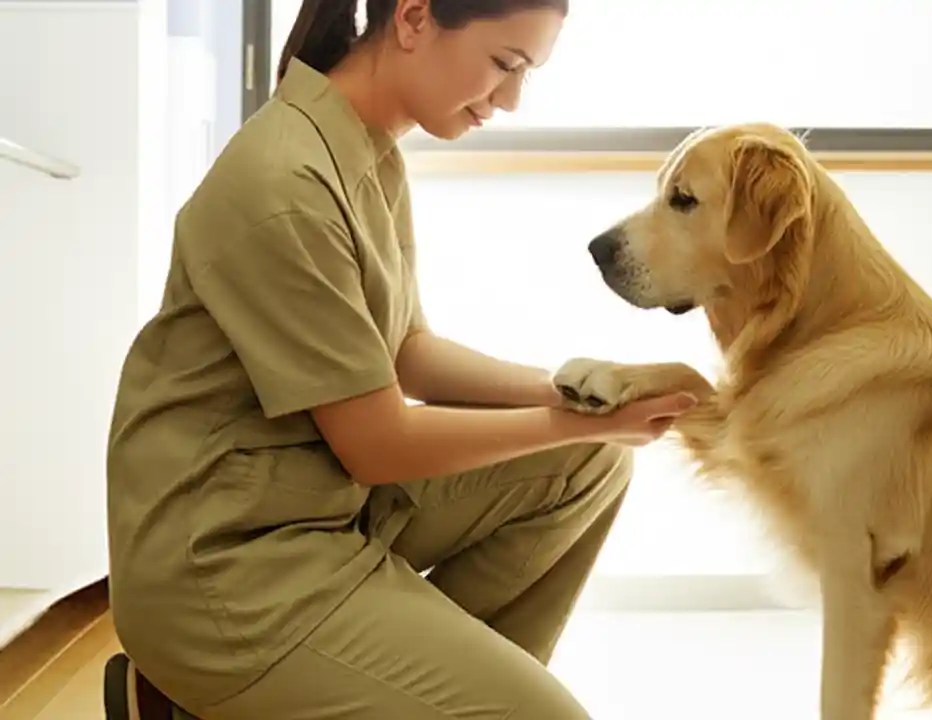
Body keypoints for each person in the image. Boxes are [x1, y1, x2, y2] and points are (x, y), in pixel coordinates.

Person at [101, 1, 697, 717]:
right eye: (505, 65)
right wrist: (578, 424)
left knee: (591, 465)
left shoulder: (367, 147)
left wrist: (580, 397)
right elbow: (378, 446)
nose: (510, 100)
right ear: (414, 18)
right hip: (226, 569)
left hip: (318, 506)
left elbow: (409, 352)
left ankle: (385, 686)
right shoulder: (285, 181)